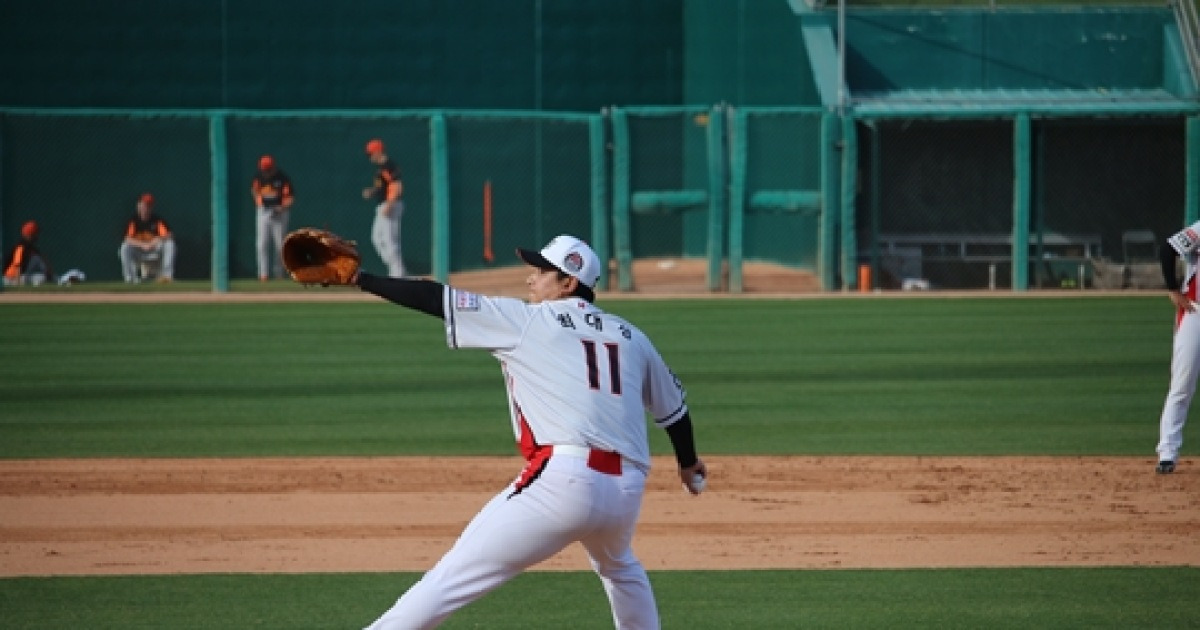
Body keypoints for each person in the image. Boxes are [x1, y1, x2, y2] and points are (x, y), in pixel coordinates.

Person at [353, 234, 706, 630]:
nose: (530, 280)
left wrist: (362, 279)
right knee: (619, 566)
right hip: (625, 490)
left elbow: (435, 297)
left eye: (541, 272)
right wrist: (688, 464)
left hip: (564, 481)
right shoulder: (631, 336)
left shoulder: (527, 320)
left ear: (568, 283)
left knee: (450, 579)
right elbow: (674, 411)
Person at [1156, 223, 1200, 474]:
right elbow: (1168, 249)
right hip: (1195, 313)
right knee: (1182, 384)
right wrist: (1173, 289)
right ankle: (1167, 453)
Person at [361, 138, 406, 277]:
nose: (369, 157)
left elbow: (397, 186)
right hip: (383, 205)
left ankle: (398, 275)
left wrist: (390, 204)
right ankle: (397, 270)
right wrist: (372, 192)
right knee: (377, 239)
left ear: (378, 151)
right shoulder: (381, 168)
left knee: (389, 240)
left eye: (370, 154)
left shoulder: (389, 166)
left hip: (390, 205)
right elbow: (382, 187)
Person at [251, 155, 295, 281]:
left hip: (279, 212)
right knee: (262, 243)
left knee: (279, 245)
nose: (265, 171)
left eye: (268, 169)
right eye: (264, 168)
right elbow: (254, 191)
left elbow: (290, 197)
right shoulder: (258, 177)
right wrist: (258, 201)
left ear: (273, 167)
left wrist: (282, 207)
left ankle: (279, 274)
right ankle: (263, 274)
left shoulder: (282, 178)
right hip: (264, 212)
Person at [119, 193, 176, 283]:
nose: (145, 208)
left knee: (170, 244)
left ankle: (167, 277)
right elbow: (127, 238)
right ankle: (130, 278)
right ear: (138, 206)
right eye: (144, 205)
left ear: (151, 208)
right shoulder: (133, 221)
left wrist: (155, 241)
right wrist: (143, 245)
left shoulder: (157, 220)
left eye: (148, 205)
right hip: (139, 250)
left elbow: (169, 234)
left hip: (154, 250)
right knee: (125, 247)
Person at [3, 220, 53, 286]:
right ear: (31, 235)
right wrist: (18, 284)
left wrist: (50, 274)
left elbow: (43, 260)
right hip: (11, 278)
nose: (37, 236)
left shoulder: (31, 248)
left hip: (22, 276)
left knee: (42, 275)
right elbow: (17, 265)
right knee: (41, 278)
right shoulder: (21, 247)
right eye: (36, 233)